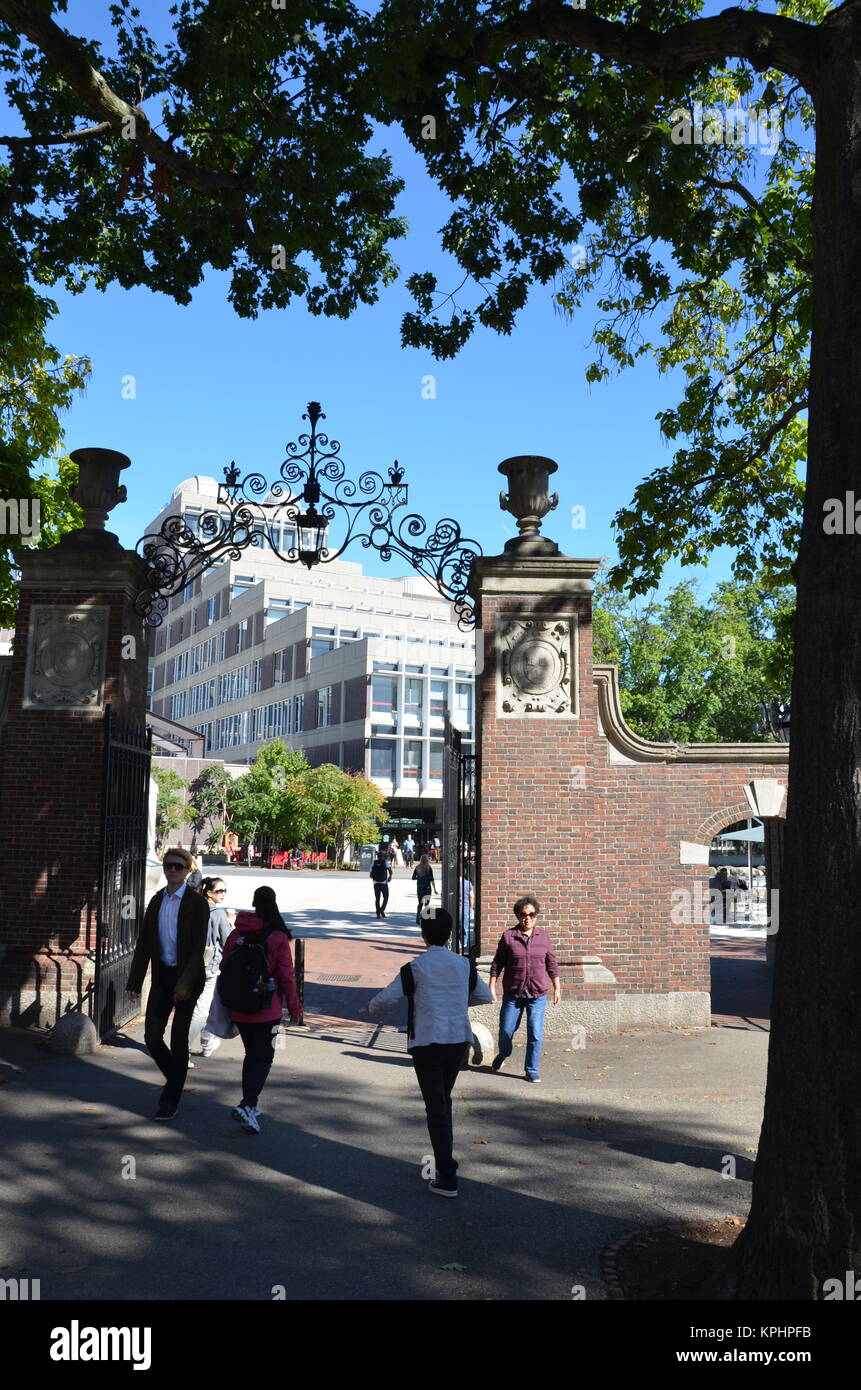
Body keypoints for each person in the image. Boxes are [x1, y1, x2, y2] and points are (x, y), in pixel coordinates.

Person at [368, 905, 491, 1196]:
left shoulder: (415, 967)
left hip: (427, 1042)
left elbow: (386, 998)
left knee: (435, 1105)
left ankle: (447, 1175)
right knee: (442, 1100)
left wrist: (371, 1007)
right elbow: (484, 995)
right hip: (457, 1042)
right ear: (449, 934)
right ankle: (446, 1161)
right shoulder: (463, 965)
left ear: (424, 935)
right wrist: (457, 1006)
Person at [126, 846, 210, 1120]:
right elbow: (144, 945)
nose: (172, 870)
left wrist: (184, 986)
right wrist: (134, 982)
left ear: (187, 870)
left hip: (188, 977)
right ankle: (176, 1077)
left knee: (178, 1038)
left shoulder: (197, 903)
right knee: (151, 1036)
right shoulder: (156, 901)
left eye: (178, 866)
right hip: (163, 975)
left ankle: (170, 1098)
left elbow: (198, 947)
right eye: (168, 866)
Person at [220, 885, 303, 1134]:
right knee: (264, 1057)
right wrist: (295, 1007)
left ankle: (250, 1104)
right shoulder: (277, 937)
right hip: (267, 1008)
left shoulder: (237, 934)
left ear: (254, 903)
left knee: (251, 1055)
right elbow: (287, 977)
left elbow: (225, 965)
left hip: (239, 1006)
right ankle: (248, 1104)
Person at [489, 896, 560, 1083]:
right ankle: (504, 1053)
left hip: (537, 994)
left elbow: (552, 964)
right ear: (517, 916)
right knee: (505, 1030)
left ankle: (531, 1070)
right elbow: (497, 963)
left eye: (531, 914)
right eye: (523, 914)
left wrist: (557, 988)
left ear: (536, 916)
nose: (527, 918)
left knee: (535, 1032)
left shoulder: (543, 937)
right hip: (513, 993)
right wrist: (492, 986)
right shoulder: (508, 937)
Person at [188, 877, 233, 1059]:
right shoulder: (218, 913)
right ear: (209, 893)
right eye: (219, 891)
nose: (223, 894)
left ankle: (207, 1042)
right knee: (202, 1008)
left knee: (202, 1006)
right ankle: (185, 1048)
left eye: (224, 890)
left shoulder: (194, 909)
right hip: (210, 966)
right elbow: (229, 941)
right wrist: (232, 922)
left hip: (191, 964)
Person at [412, 854, 437, 925]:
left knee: (420, 903)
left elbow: (413, 877)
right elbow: (432, 879)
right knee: (426, 904)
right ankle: (426, 919)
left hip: (419, 888)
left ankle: (417, 918)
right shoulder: (429, 868)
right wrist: (435, 889)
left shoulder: (417, 867)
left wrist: (419, 878)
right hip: (427, 888)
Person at [370, 852, 392, 918]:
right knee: (386, 897)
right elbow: (390, 870)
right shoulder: (385, 862)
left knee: (377, 898)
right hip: (384, 883)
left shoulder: (373, 863)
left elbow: (371, 875)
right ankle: (382, 910)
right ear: (383, 856)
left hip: (376, 884)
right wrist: (390, 876)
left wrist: (375, 878)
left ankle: (378, 913)